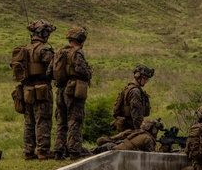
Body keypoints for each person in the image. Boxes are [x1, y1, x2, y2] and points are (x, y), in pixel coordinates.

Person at [51, 25, 93, 160]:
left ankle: (58, 150)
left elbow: (49, 72)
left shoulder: (59, 52)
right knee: (75, 120)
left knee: (61, 121)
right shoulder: (77, 53)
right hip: (74, 91)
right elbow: (81, 70)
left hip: (60, 91)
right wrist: (89, 73)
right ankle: (74, 150)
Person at [18, 19, 57, 160]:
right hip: (42, 89)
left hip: (27, 89)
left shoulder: (24, 49)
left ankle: (28, 151)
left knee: (29, 120)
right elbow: (54, 69)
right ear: (43, 33)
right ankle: (43, 150)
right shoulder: (44, 50)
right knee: (43, 119)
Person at [112, 65, 154, 133]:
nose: (146, 81)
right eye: (145, 78)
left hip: (126, 127)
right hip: (130, 128)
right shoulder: (135, 92)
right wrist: (140, 130)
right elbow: (136, 113)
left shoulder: (128, 88)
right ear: (138, 77)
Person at [93, 118, 165, 154]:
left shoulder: (137, 132)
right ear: (153, 130)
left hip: (112, 147)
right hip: (116, 153)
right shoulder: (148, 139)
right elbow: (153, 157)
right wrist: (162, 150)